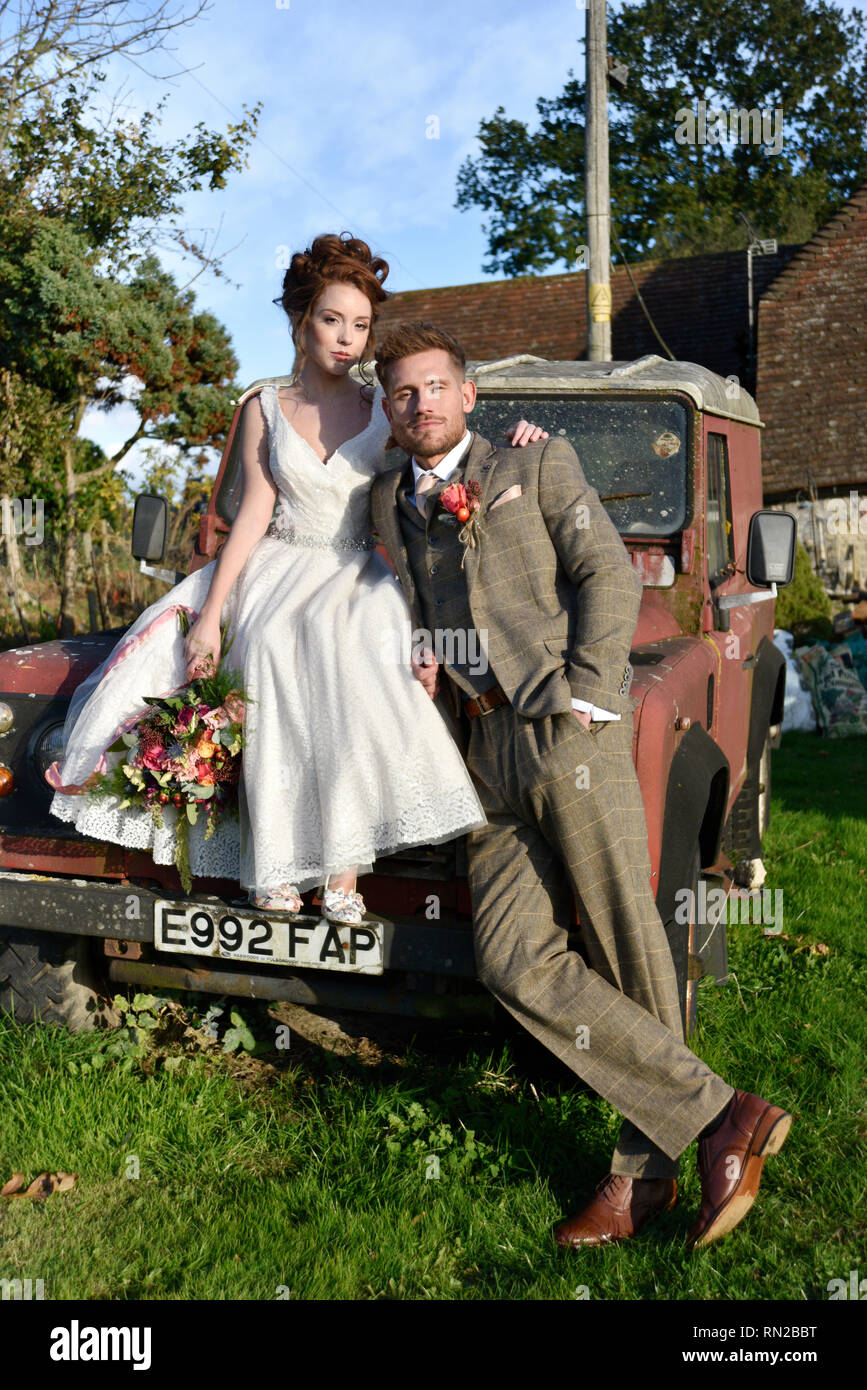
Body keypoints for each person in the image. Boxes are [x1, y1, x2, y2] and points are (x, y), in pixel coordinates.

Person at [369, 319, 793, 1250]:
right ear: (388, 410)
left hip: (564, 735)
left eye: (436, 386)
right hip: (477, 755)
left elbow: (603, 567)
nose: (421, 404)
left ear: (468, 395)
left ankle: (639, 1182)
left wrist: (595, 693)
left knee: (626, 944)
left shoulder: (536, 464)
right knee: (512, 959)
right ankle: (721, 1113)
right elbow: (397, 598)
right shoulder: (380, 503)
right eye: (401, 392)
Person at [45, 234, 547, 925]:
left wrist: (519, 443)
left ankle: (342, 877)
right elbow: (252, 512)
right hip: (278, 565)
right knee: (275, 647)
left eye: (361, 326)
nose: (347, 339)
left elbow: (448, 449)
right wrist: (212, 615)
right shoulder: (263, 403)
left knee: (362, 650)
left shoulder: (383, 403)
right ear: (299, 322)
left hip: (359, 566)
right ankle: (274, 869)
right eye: (332, 320)